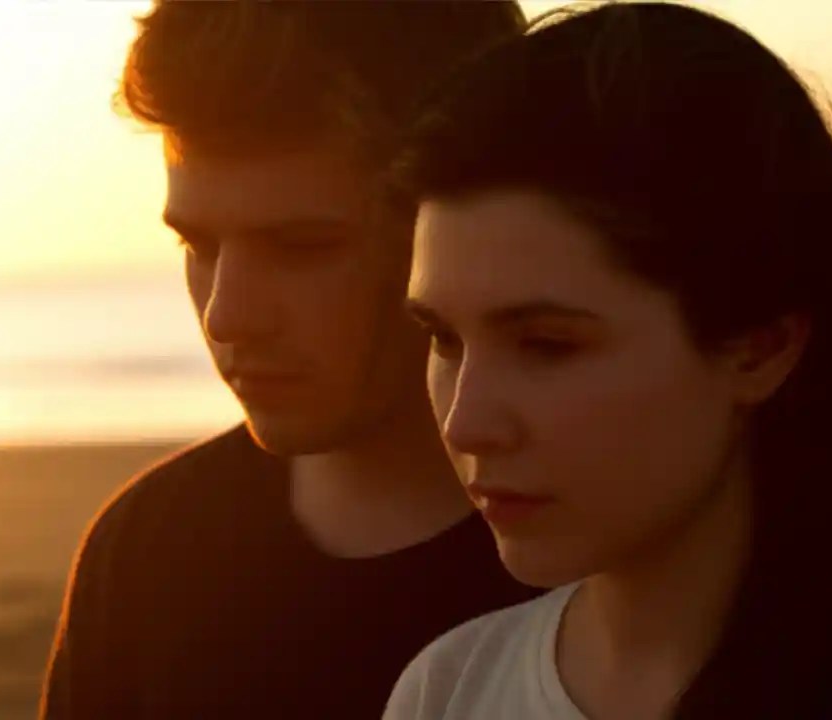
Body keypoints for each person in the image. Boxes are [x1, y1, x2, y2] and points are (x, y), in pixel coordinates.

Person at [384, 3, 832, 719]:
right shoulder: (447, 690)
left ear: (760, 346)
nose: (465, 422)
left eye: (547, 345)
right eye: (444, 339)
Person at [40, 3, 538, 718]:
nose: (227, 315)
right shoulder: (148, 550)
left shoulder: (620, 567)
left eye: (302, 249)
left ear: (455, 225)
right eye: (199, 246)